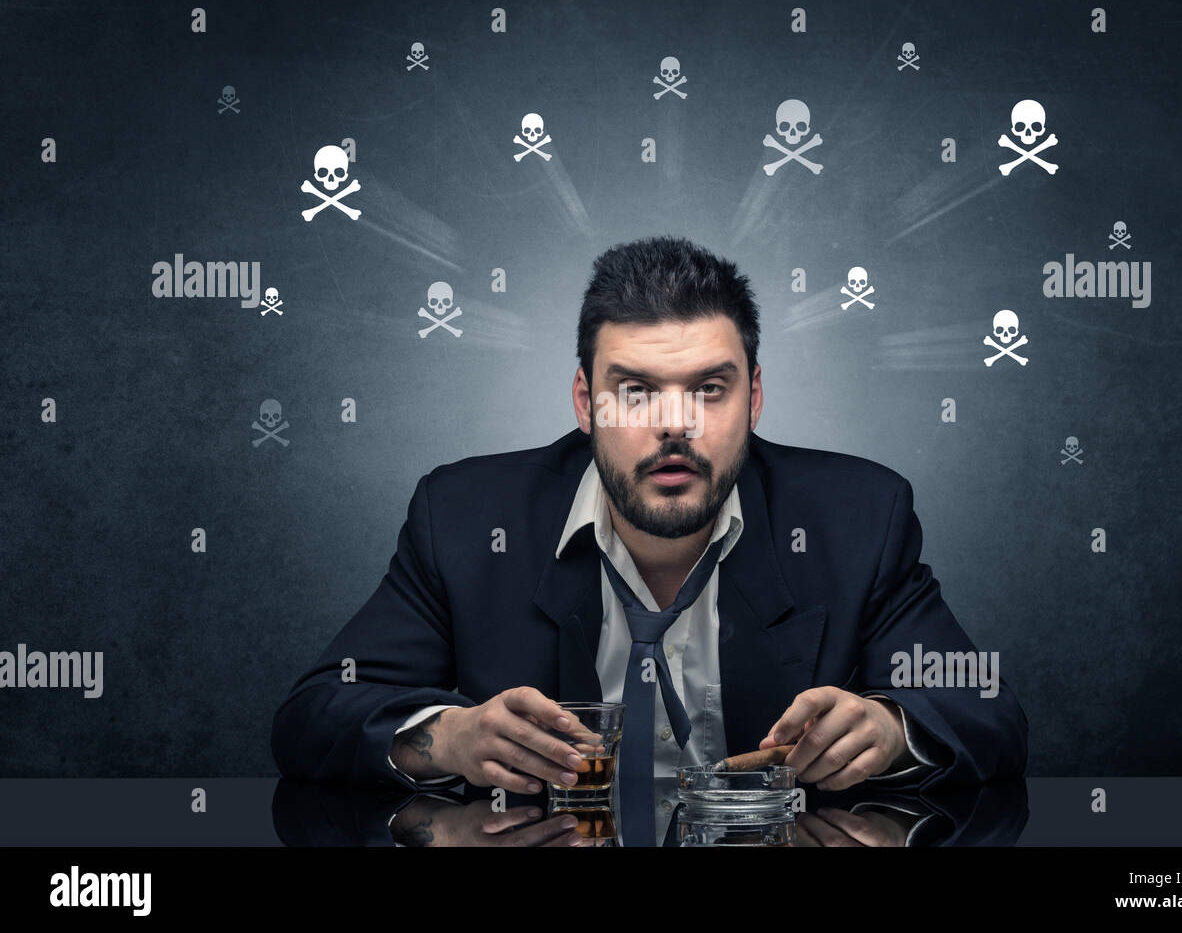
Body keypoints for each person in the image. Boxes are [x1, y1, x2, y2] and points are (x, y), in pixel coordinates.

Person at [271, 235, 1027, 844]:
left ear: (755, 398)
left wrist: (890, 730)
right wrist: (448, 738)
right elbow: (314, 713)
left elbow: (983, 705)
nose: (675, 425)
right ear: (584, 401)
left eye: (709, 388)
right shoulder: (465, 516)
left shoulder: (860, 515)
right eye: (635, 391)